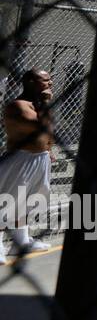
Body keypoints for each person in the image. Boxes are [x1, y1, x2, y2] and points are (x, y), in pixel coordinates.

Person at [1, 69, 55, 256]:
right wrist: (47, 103)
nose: (50, 83)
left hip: (40, 158)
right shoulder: (18, 106)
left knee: (29, 200)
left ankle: (21, 242)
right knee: (8, 200)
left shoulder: (38, 105)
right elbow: (39, 128)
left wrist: (49, 150)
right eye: (45, 80)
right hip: (21, 158)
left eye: (50, 79)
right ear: (31, 82)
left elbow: (48, 131)